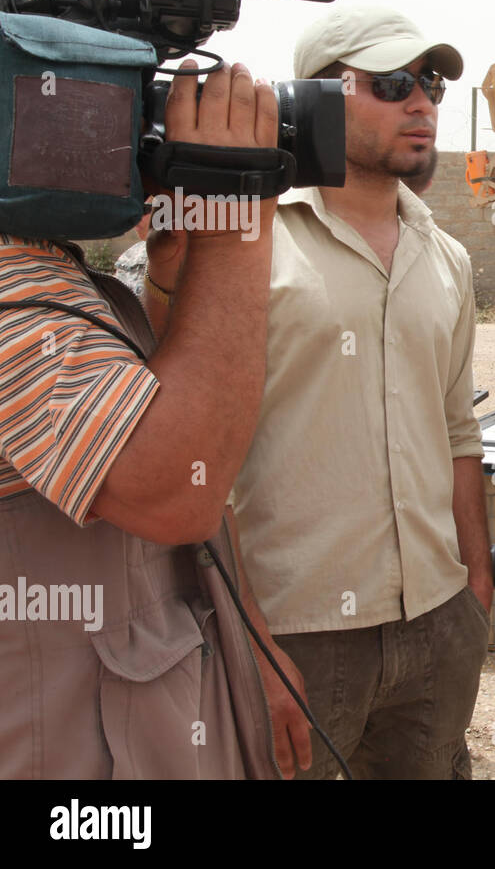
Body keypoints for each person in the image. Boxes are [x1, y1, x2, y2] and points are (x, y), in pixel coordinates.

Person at [0, 59, 293, 778]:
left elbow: (168, 413)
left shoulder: (58, 274)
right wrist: (236, 216)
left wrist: (175, 273)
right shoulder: (14, 290)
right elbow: (177, 487)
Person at [223, 5, 491, 780]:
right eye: (394, 83)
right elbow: (207, 465)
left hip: (438, 622)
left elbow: (457, 431)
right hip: (295, 632)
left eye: (432, 84)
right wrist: (254, 642)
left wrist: (472, 588)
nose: (423, 103)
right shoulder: (247, 242)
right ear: (317, 97)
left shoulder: (447, 259)